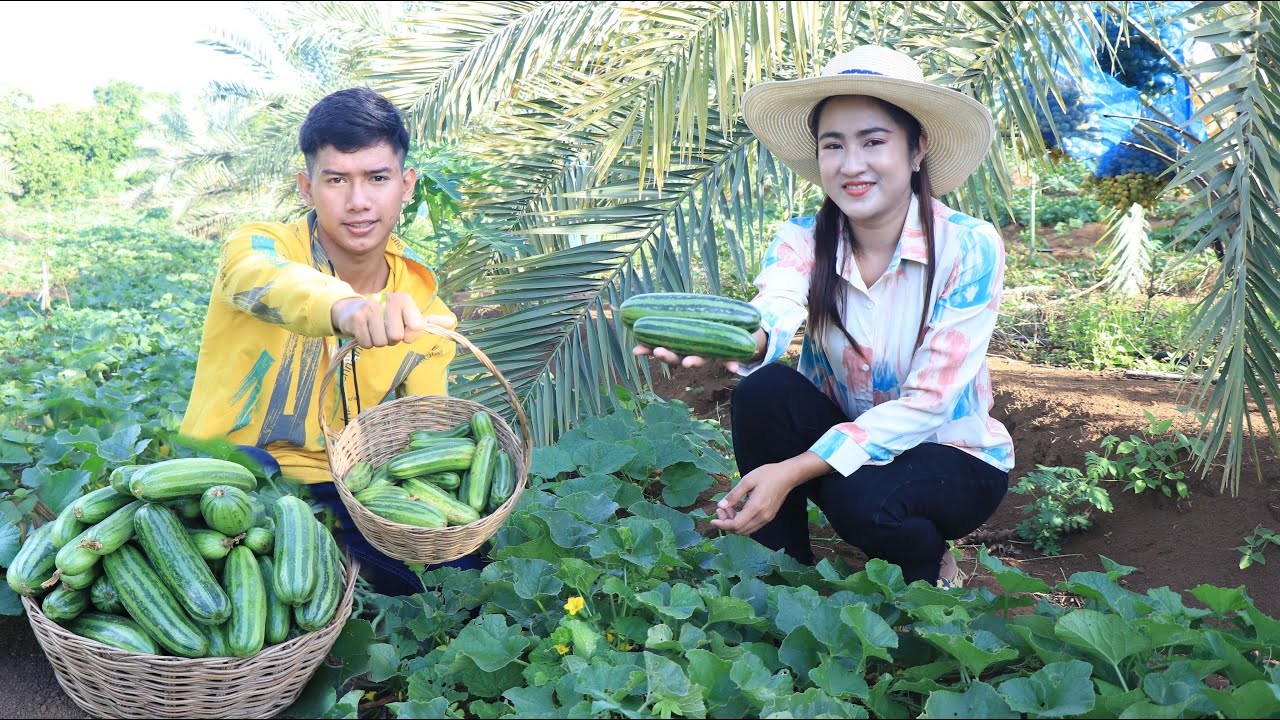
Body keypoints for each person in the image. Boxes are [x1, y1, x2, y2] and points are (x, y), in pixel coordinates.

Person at [636, 46, 1014, 587]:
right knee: (762, 391)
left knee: (863, 497)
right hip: (845, 443)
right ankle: (778, 575)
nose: (851, 164)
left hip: (953, 455)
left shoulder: (969, 247)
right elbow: (777, 303)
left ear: (916, 150)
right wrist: (743, 339)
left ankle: (927, 568)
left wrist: (790, 472)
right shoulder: (802, 240)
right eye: (833, 145)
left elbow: (931, 404)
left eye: (873, 141)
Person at [180, 87, 464, 594]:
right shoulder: (259, 244)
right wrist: (346, 306)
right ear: (307, 187)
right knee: (263, 575)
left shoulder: (422, 309)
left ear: (405, 185)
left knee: (452, 575)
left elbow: (422, 429)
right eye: (337, 180)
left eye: (377, 178)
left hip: (345, 490)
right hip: (233, 478)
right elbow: (260, 276)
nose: (358, 202)